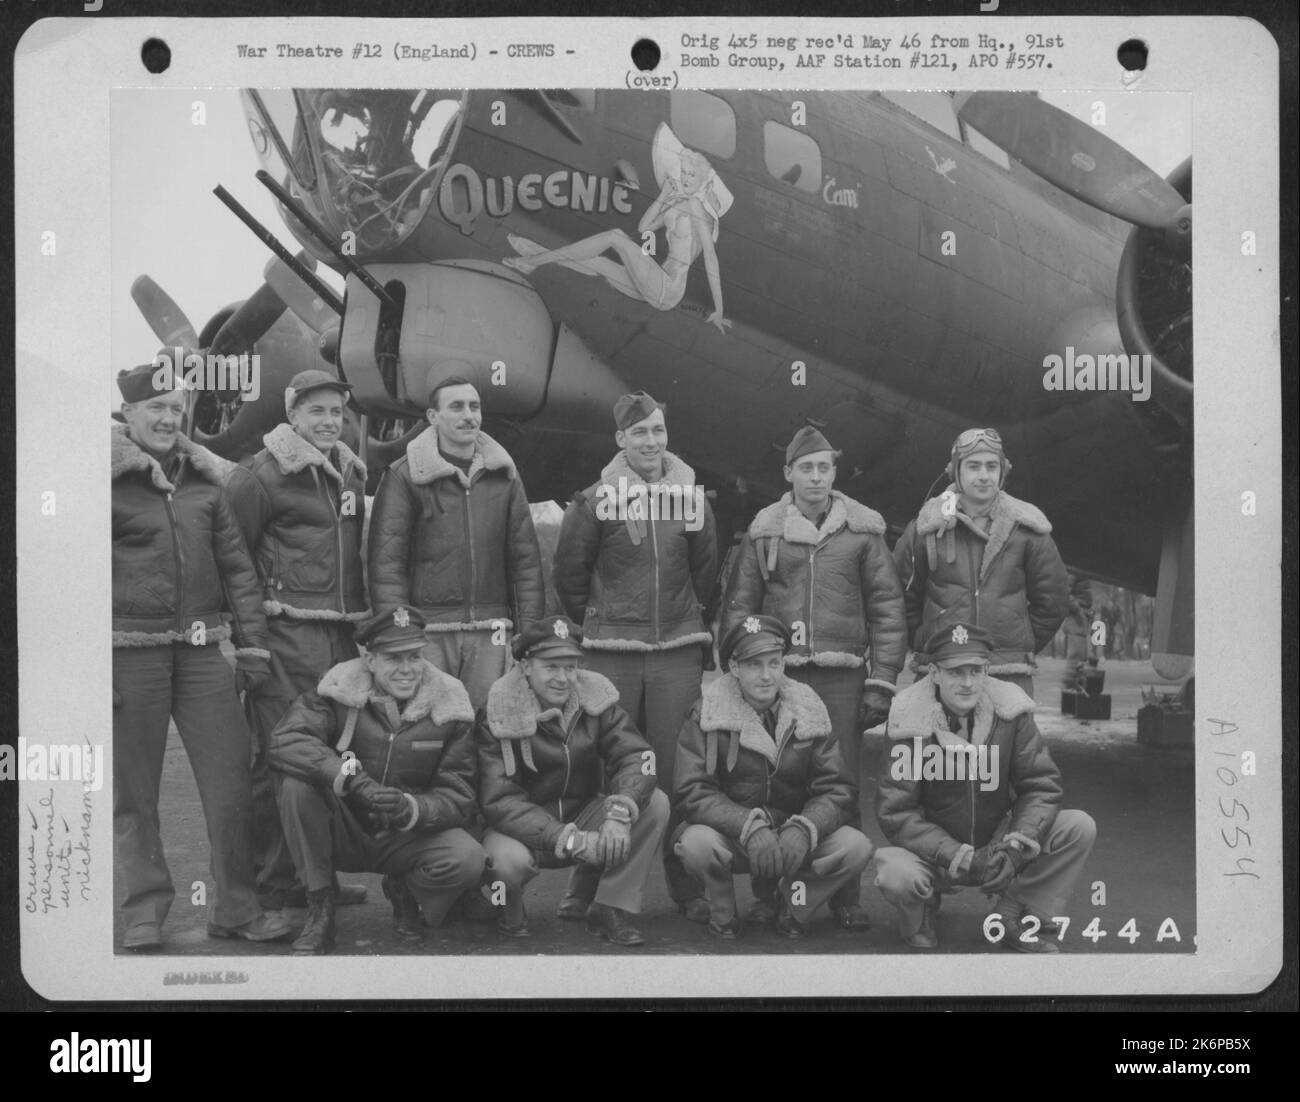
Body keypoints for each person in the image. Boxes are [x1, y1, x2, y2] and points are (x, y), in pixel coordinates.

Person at [111, 364, 292, 950]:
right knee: (134, 794)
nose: (167, 419)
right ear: (129, 414)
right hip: (127, 653)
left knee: (230, 783)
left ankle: (236, 908)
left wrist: (254, 644)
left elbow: (237, 568)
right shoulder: (99, 480)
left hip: (200, 653)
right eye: (155, 408)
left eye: (175, 408)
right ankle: (144, 909)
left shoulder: (206, 480)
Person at [722, 426, 906, 928]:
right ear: (788, 474)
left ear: (835, 473)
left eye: (825, 467)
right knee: (768, 783)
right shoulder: (765, 531)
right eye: (806, 467)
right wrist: (735, 674)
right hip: (777, 676)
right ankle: (768, 894)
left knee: (840, 783)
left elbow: (888, 608)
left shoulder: (863, 533)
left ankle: (845, 897)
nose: (817, 476)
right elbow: (740, 606)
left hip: (842, 677)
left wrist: (882, 678)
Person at [552, 390, 718, 923]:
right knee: (608, 767)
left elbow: (705, 571)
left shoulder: (692, 498)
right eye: (640, 432)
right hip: (612, 652)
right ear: (620, 439)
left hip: (676, 652)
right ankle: (588, 881)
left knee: (673, 771)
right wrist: (606, 620)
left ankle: (684, 884)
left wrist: (680, 617)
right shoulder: (595, 498)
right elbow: (570, 577)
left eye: (659, 431)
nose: (652, 441)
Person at [226, 369, 369, 911]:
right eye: (317, 412)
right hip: (285, 635)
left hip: (339, 637)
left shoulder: (350, 474)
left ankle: (318, 878)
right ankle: (276, 881)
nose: (330, 421)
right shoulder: (259, 474)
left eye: (337, 412)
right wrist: (251, 643)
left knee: (329, 754)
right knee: (280, 757)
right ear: (292, 415)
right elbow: (234, 560)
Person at [267, 606, 486, 954]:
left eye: (414, 657)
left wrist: (411, 807)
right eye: (393, 659)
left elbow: (459, 794)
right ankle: (320, 908)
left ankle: (406, 892)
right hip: (344, 826)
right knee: (296, 786)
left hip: (405, 833)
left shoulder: (450, 702)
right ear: (370, 660)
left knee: (468, 858)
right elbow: (286, 740)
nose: (406, 669)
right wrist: (351, 778)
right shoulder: (336, 690)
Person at [874, 624, 1097, 952]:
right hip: (936, 854)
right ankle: (921, 911)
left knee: (1078, 827)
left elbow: (1040, 787)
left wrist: (1015, 846)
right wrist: (956, 855)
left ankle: (1010, 913)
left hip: (996, 847)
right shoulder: (910, 719)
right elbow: (896, 810)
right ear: (934, 673)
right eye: (955, 672)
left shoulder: (1011, 713)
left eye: (975, 671)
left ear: (986, 671)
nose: (967, 683)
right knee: (895, 870)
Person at [672, 615, 872, 940]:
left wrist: (805, 828)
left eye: (774, 663)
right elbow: (691, 790)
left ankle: (794, 907)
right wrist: (746, 826)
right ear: (734, 667)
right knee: (696, 842)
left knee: (855, 846)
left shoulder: (808, 708)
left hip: (792, 832)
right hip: (736, 835)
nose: (766, 676)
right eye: (754, 665)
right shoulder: (707, 712)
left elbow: (837, 788)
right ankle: (723, 912)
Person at [476, 616, 669, 946]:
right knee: (508, 862)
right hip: (520, 831)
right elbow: (499, 799)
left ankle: (606, 906)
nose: (563, 678)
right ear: (525, 666)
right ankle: (505, 906)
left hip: (581, 816)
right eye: (551, 667)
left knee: (656, 804)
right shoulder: (498, 709)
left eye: (570, 667)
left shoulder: (596, 701)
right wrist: (569, 840)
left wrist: (620, 812)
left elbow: (639, 758)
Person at [368, 371, 545, 709]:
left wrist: (529, 637)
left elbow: (525, 563)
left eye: (475, 407)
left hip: (492, 633)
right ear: (433, 417)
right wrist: (401, 638)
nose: (469, 415)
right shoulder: (404, 476)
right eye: (457, 407)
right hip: (428, 633)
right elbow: (386, 566)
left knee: (490, 727)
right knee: (429, 727)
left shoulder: (504, 476)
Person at [504, 125, 733, 335]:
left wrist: (720, 309)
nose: (685, 178)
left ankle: (534, 260)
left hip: (667, 288)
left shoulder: (696, 207)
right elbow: (645, 228)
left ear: (701, 180)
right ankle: (532, 254)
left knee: (615, 237)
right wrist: (664, 195)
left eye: (691, 175)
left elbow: (711, 259)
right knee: (600, 263)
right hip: (656, 282)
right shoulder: (679, 203)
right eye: (683, 172)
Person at [893, 428, 1069, 697]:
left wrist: (1015, 644)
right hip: (940, 670)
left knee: (1009, 739)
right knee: (933, 738)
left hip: (1007, 673)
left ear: (1003, 471)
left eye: (992, 466)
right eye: (974, 466)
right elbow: (902, 597)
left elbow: (1053, 602)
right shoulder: (925, 528)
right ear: (955, 471)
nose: (984, 475)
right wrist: (926, 640)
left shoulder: (1029, 531)